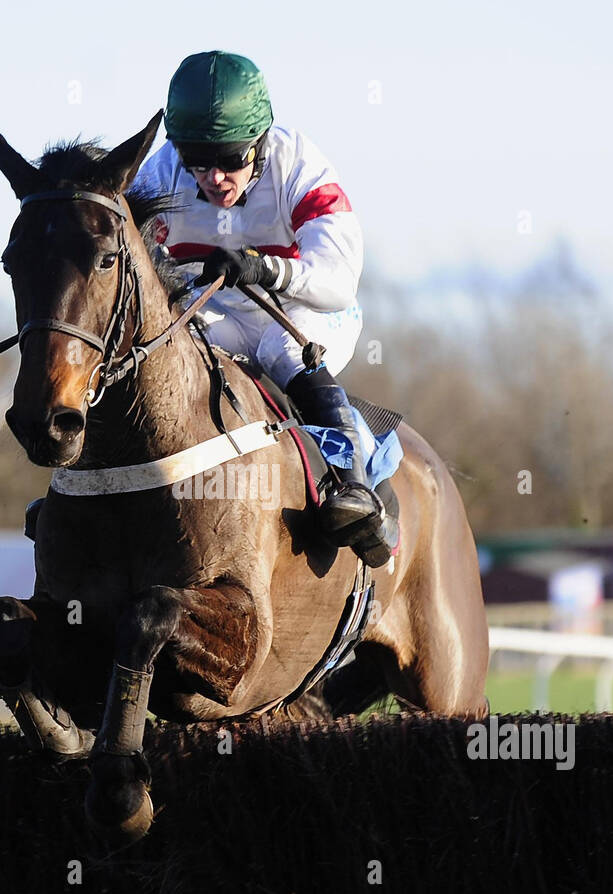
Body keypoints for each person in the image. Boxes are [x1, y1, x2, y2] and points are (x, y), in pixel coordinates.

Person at [134, 50, 397, 566]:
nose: (214, 177)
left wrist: (267, 269)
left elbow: (338, 281)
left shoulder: (299, 163)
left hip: (305, 309)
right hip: (216, 314)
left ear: (259, 141)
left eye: (232, 158)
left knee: (283, 346)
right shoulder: (158, 175)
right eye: (198, 160)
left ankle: (357, 490)